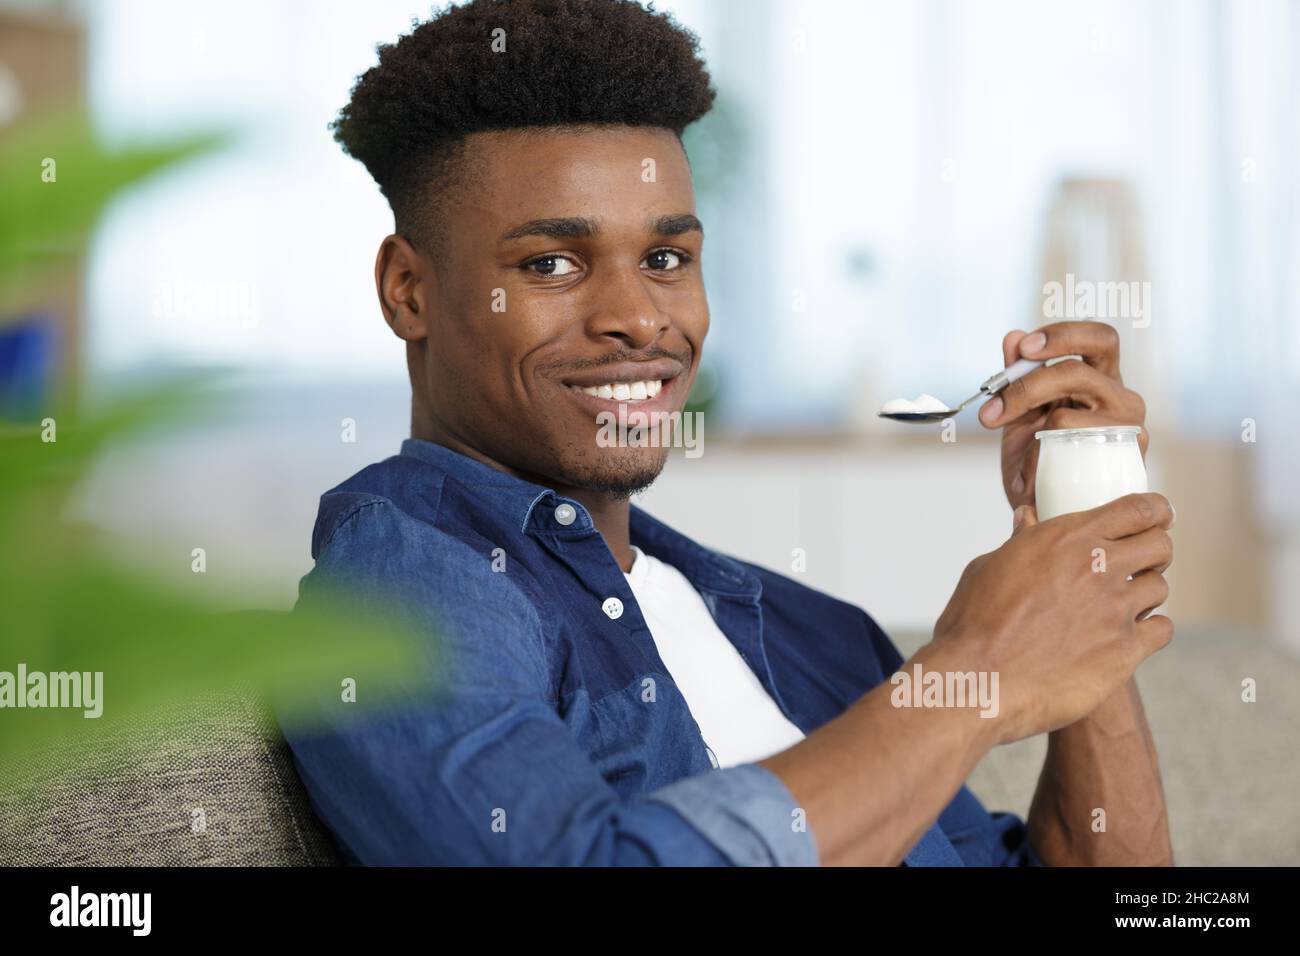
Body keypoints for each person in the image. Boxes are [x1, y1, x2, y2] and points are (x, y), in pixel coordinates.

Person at [278, 0, 1174, 866]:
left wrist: (1078, 540)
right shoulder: (404, 587)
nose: (638, 318)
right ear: (408, 291)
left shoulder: (801, 629)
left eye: (666, 259)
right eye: (552, 263)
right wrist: (972, 674)